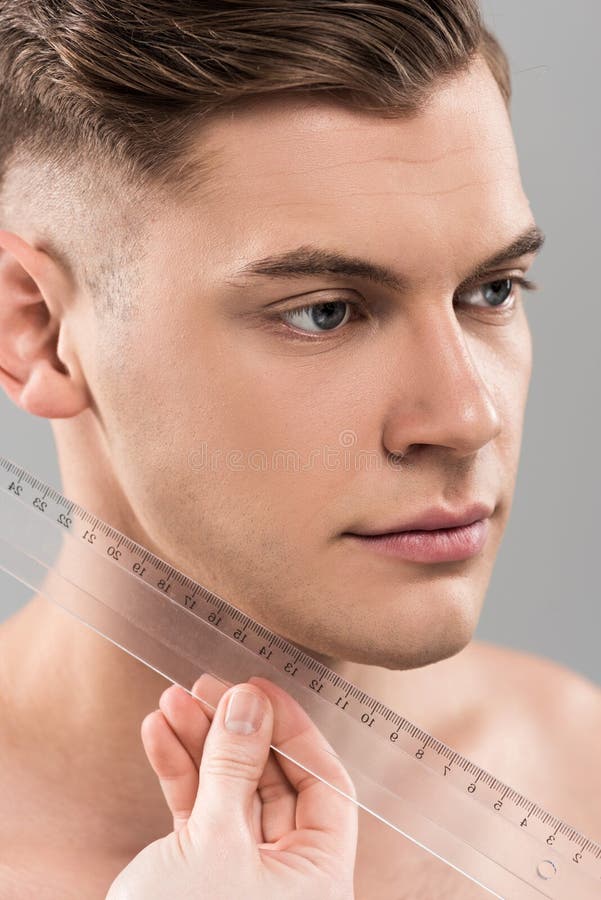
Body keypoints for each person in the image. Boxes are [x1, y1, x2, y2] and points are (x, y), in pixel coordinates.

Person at [0, 0, 599, 896]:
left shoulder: (578, 776)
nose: (467, 418)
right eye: (324, 311)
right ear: (39, 331)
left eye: (491, 289)